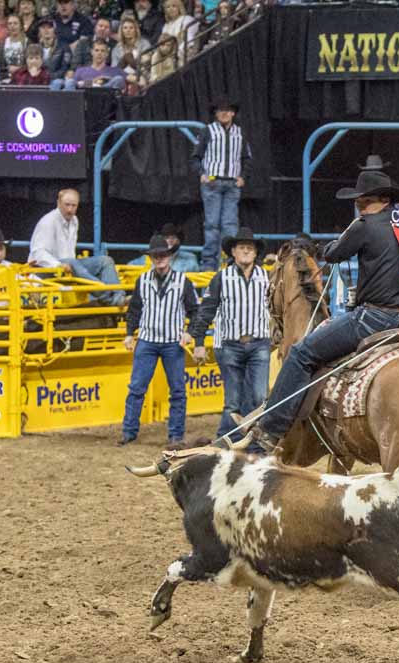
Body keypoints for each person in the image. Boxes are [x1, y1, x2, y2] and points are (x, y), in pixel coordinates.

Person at [249, 170, 399, 453]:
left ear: (382, 199)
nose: (360, 207)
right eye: (358, 203)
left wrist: (328, 244)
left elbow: (333, 254)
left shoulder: (365, 225)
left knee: (301, 354)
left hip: (374, 319)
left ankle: (269, 430)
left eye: (364, 201)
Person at [189, 227, 271, 441]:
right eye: (241, 247)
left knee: (260, 397)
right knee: (233, 400)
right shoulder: (221, 278)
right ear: (233, 252)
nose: (246, 251)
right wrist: (199, 342)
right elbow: (206, 310)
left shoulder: (267, 277)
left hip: (259, 342)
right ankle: (227, 440)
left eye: (250, 247)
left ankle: (254, 442)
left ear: (255, 252)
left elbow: (277, 308)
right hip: (229, 344)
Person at [118, 233, 198, 449]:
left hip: (172, 341)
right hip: (148, 340)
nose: (160, 258)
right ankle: (129, 431)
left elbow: (195, 311)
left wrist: (190, 332)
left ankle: (175, 435)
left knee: (177, 390)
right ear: (151, 258)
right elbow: (134, 310)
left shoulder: (183, 282)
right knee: (137, 387)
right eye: (156, 255)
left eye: (163, 254)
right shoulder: (142, 281)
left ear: (169, 256)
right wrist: (129, 333)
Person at [28, 188, 124, 306]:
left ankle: (119, 296)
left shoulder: (74, 220)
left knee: (106, 260)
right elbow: (38, 252)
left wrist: (69, 264)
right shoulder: (48, 222)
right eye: (67, 205)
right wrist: (58, 265)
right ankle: (110, 296)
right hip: (47, 269)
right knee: (72, 262)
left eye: (74, 206)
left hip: (69, 266)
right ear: (58, 203)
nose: (70, 209)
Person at [191, 95, 251, 271]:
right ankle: (209, 265)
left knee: (230, 225)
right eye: (221, 110)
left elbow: (247, 158)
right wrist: (202, 174)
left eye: (228, 110)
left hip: (232, 184)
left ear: (233, 113)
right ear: (216, 114)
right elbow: (195, 156)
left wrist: (243, 177)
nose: (224, 113)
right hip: (212, 183)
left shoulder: (240, 133)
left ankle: (230, 263)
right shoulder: (207, 131)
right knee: (212, 225)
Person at [50, 37, 123, 88]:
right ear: (91, 52)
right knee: (63, 82)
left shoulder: (115, 70)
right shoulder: (81, 70)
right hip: (83, 99)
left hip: (106, 98)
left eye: (102, 51)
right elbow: (72, 85)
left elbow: (126, 79)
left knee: (118, 79)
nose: (99, 53)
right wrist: (94, 81)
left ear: (107, 53)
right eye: (97, 50)